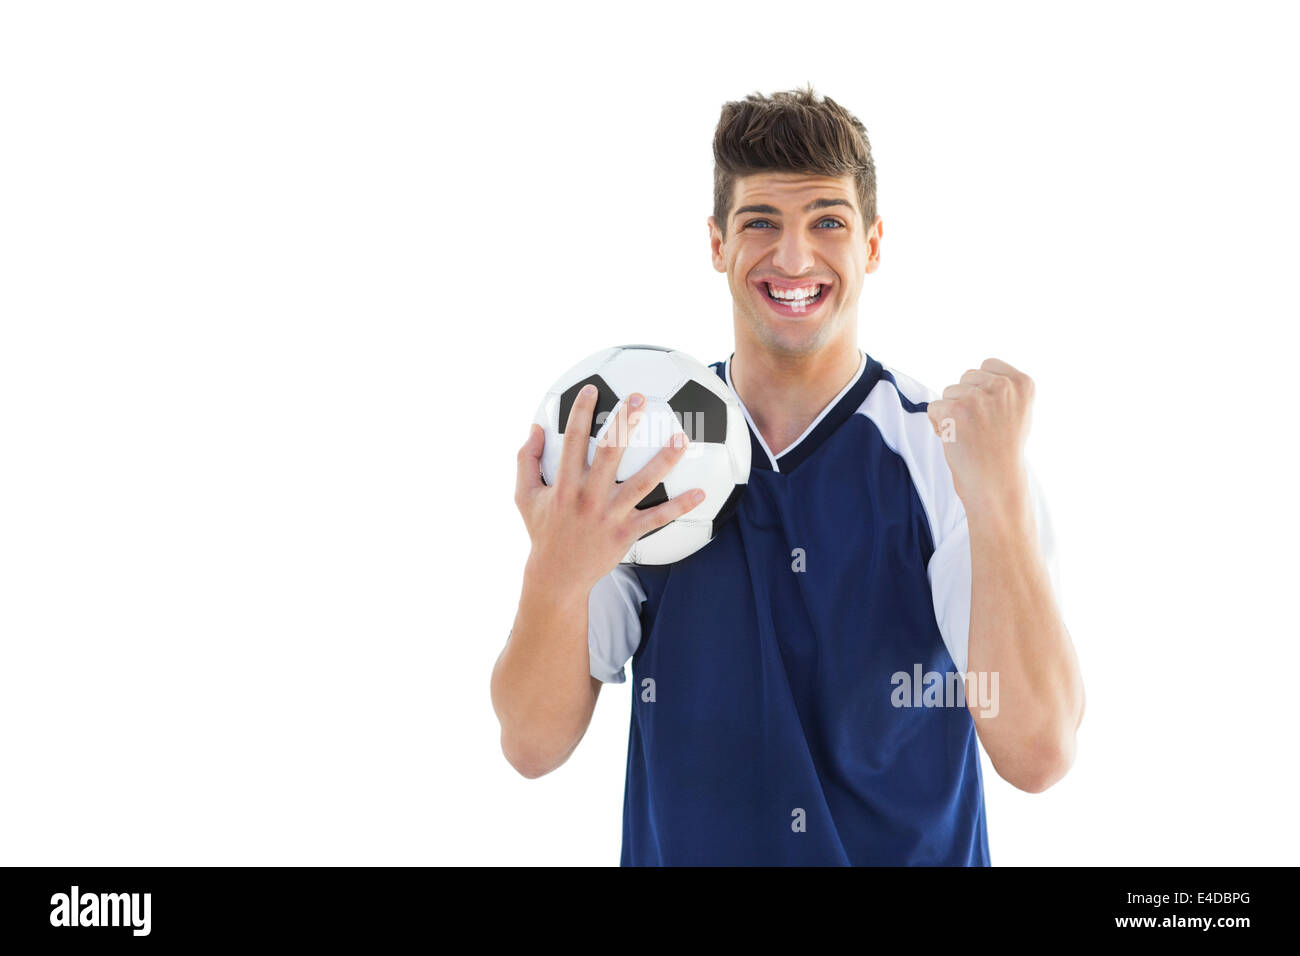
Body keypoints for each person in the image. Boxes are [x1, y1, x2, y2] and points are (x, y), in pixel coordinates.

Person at [491, 84, 1085, 865]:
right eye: (760, 222)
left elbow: (1038, 753)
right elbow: (531, 745)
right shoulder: (637, 451)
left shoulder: (946, 453)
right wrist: (555, 575)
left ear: (872, 245)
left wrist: (998, 496)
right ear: (716, 244)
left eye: (827, 222)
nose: (795, 257)